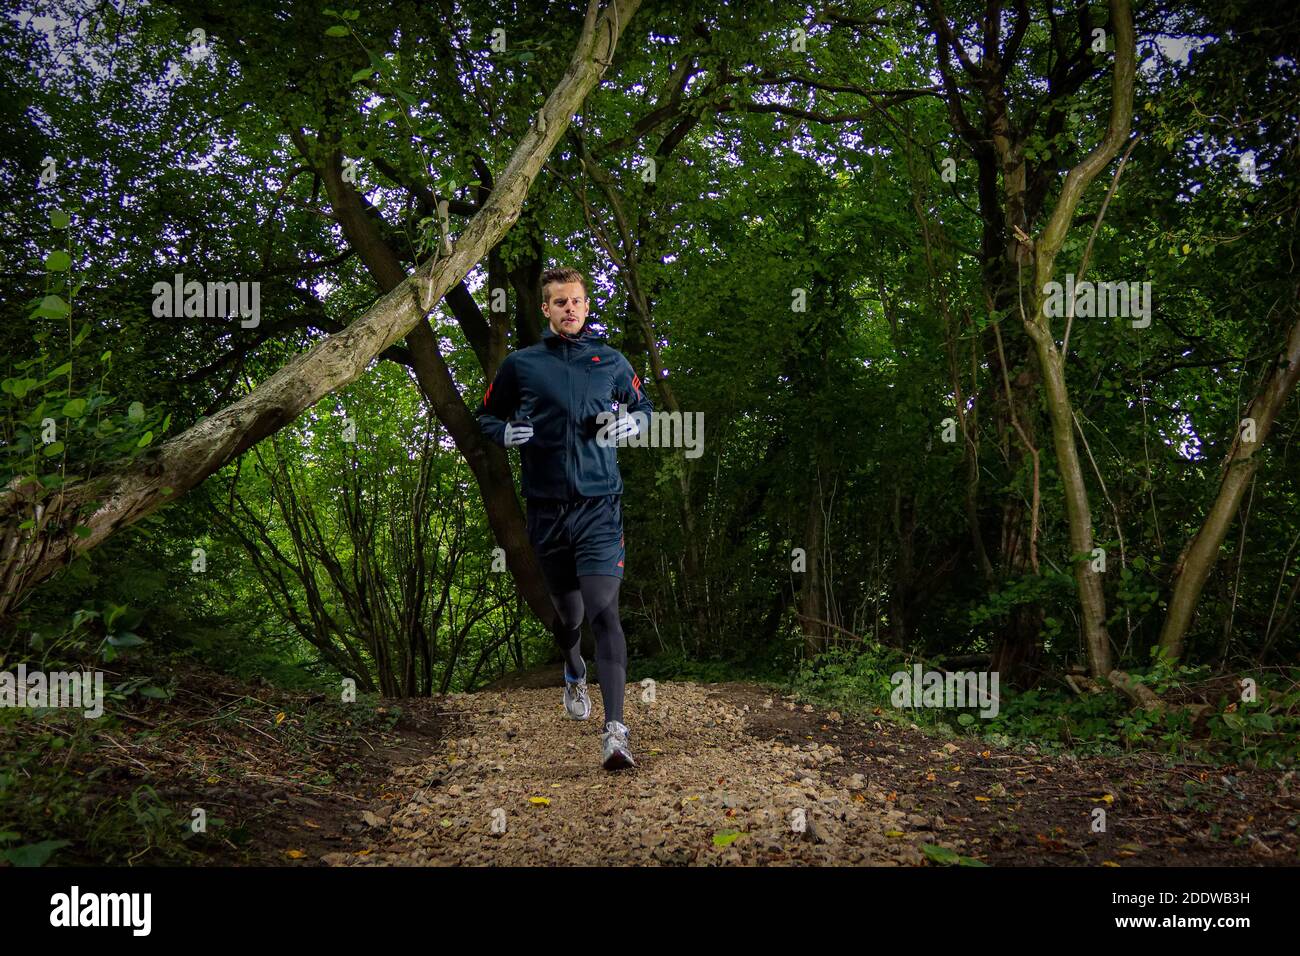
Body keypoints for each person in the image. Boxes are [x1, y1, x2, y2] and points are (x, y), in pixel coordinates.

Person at [477, 267, 654, 770]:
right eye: (560, 302)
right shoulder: (521, 365)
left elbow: (644, 407)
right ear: (546, 310)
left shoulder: (611, 361)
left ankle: (615, 732)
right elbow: (486, 414)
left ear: (586, 305)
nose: (571, 309)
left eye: (577, 301)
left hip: (601, 506)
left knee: (604, 611)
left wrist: (633, 421)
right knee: (569, 619)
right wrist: (503, 432)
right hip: (547, 510)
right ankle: (572, 666)